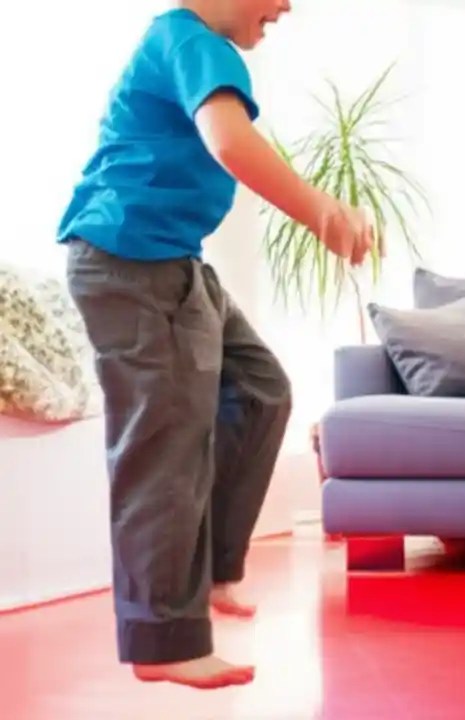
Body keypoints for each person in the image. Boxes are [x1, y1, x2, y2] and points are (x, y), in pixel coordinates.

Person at [58, 0, 372, 690]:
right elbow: (228, 142)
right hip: (129, 263)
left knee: (260, 390)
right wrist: (321, 207)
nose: (289, 6)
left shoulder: (189, 44)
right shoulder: (190, 38)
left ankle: (205, 574)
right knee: (163, 442)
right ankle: (162, 636)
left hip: (170, 262)